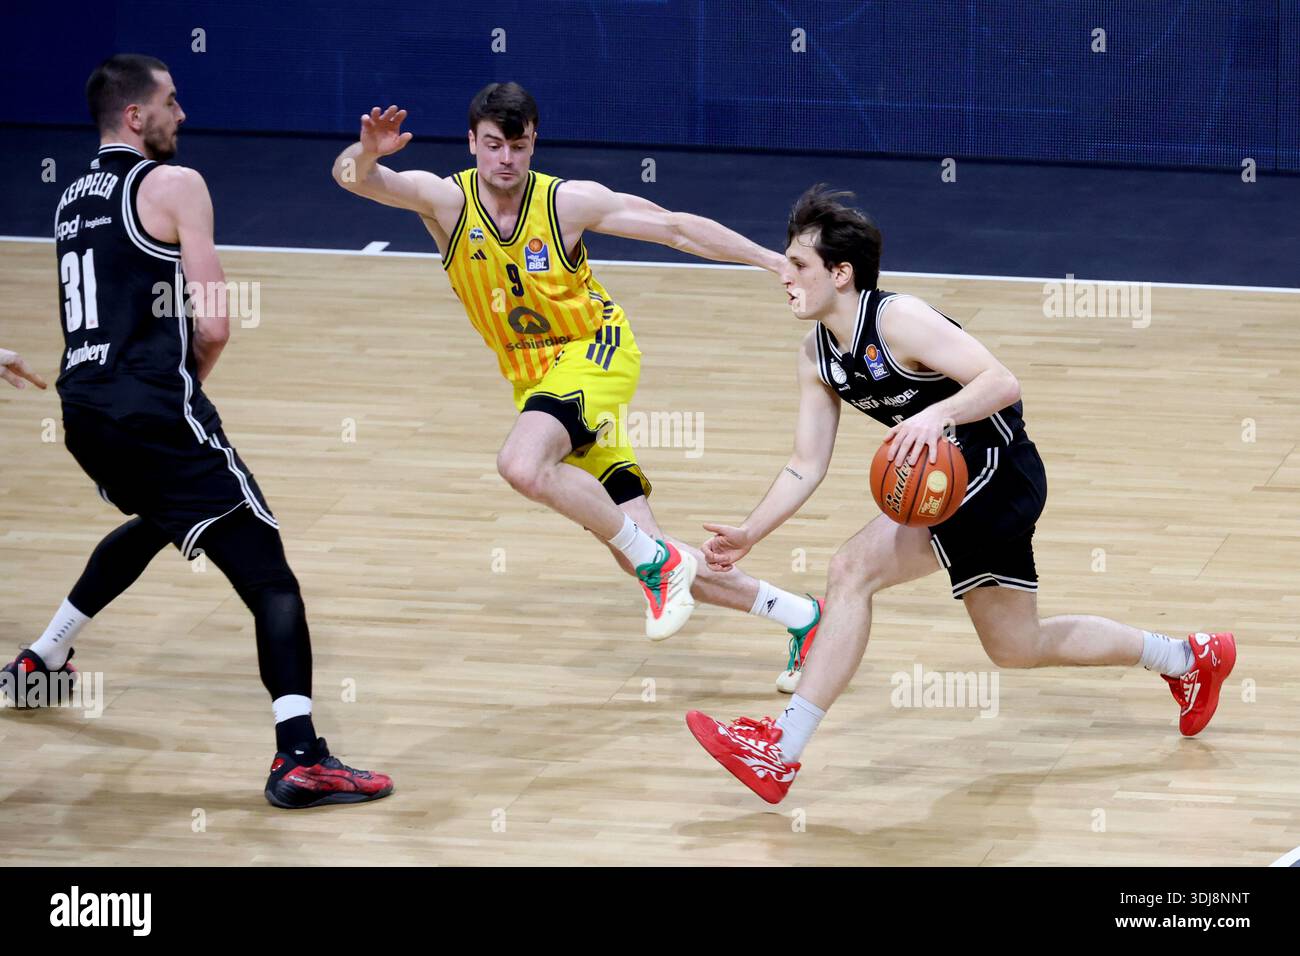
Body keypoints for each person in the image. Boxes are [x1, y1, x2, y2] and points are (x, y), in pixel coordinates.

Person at [685, 185, 1236, 804]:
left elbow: (1002, 381)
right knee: (1015, 646)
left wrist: (937, 416)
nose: (784, 276)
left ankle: (780, 752)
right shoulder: (818, 356)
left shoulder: (897, 320)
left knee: (851, 570)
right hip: (956, 482)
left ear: (841, 274)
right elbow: (804, 464)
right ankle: (1188, 657)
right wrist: (751, 531)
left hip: (997, 469)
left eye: (799, 265)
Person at [332, 85, 822, 690]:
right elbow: (353, 180)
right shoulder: (447, 202)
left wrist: (771, 261)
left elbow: (675, 229)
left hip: (596, 353)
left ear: (533, 141)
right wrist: (366, 151)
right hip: (537, 383)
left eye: (517, 145)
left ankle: (659, 565)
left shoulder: (567, 203)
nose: (505, 158)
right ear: (472, 144)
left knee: (520, 463)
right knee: (637, 547)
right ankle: (804, 618)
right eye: (492, 145)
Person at [1, 54, 392, 809]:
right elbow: (214, 324)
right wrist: (179, 401)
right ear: (136, 116)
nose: (183, 115)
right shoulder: (176, 184)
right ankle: (300, 757)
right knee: (269, 574)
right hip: (151, 405)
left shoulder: (67, 199)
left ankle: (42, 658)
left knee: (162, 514)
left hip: (83, 410)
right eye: (171, 103)